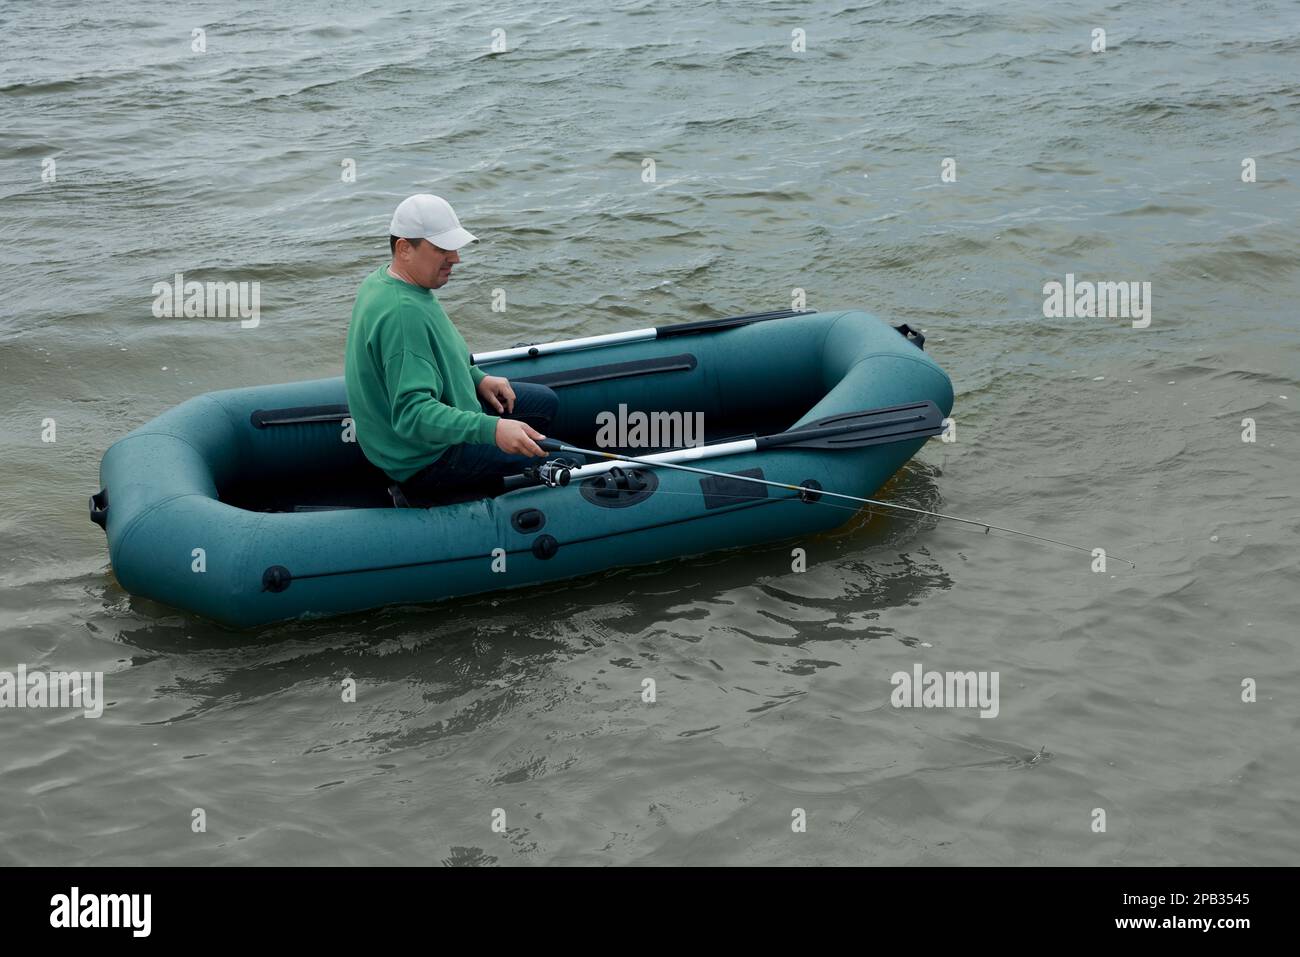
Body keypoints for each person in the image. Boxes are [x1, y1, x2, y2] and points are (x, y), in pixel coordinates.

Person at [344, 194, 558, 506]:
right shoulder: (402, 314)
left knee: (544, 404)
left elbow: (435, 353)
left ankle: (492, 479)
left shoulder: (390, 281)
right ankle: (441, 496)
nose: (456, 257)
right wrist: (492, 429)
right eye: (442, 249)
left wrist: (475, 378)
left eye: (454, 247)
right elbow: (411, 414)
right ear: (404, 248)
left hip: (432, 427)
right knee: (555, 461)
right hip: (424, 458)